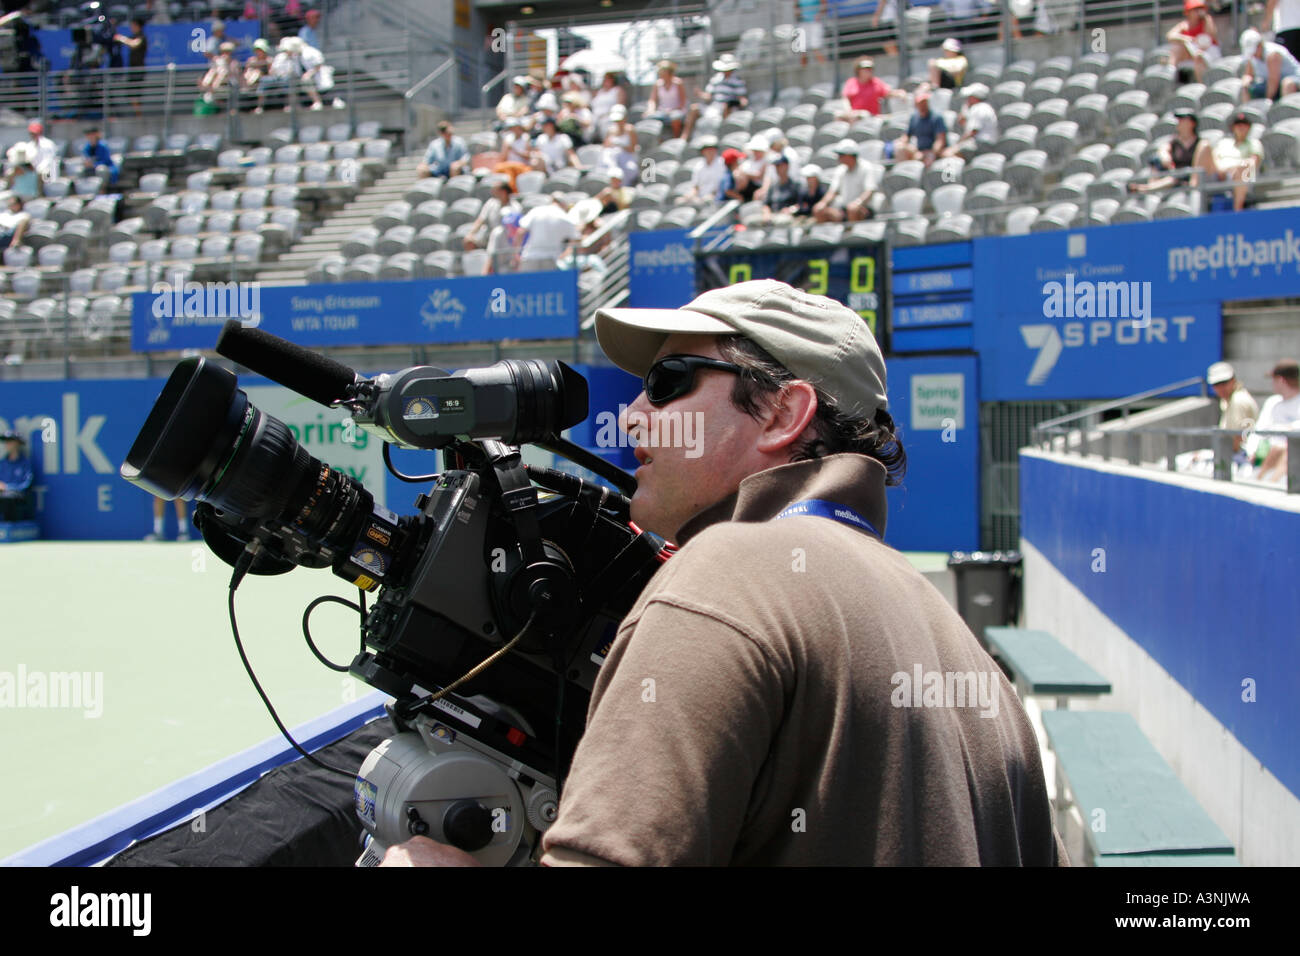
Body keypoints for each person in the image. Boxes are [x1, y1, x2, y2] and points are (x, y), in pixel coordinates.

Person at [380, 279, 1066, 866]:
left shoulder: (729, 572)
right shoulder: (971, 655)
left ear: (782, 412)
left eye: (667, 384)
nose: (634, 414)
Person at [1250, 359, 1300, 482]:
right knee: (1278, 448)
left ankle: (1267, 485)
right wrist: (1252, 450)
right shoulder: (1272, 403)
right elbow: (1259, 430)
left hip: (1289, 453)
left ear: (1281, 380)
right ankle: (1261, 483)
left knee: (1284, 448)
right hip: (1267, 453)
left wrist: (1284, 429)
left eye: (1274, 380)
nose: (1272, 383)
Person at [683, 53, 747, 141]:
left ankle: (722, 135)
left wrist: (742, 102)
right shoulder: (715, 79)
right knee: (694, 108)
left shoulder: (737, 81)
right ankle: (685, 136)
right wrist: (700, 94)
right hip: (714, 106)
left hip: (728, 107)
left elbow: (741, 97)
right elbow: (709, 96)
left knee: (725, 106)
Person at [514, 192, 579, 272]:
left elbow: (520, 232)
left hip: (530, 258)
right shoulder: (566, 218)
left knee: (527, 284)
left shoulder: (536, 211)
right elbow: (574, 243)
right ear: (564, 204)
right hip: (552, 260)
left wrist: (516, 253)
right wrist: (562, 256)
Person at [1212, 112, 1263, 211]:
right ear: (1233, 128)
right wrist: (1221, 171)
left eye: (1245, 125)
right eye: (1238, 125)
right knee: (1204, 146)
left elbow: (1253, 163)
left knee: (1244, 166)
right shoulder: (1223, 143)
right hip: (1220, 174)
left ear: (1249, 128)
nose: (1241, 127)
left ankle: (1237, 210)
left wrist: (1235, 169)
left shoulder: (1254, 143)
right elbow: (1214, 158)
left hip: (1245, 176)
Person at [813, 140, 875, 221]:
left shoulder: (866, 167)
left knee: (852, 209)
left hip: (863, 208)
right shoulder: (840, 170)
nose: (838, 158)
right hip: (844, 209)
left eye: (841, 155)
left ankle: (853, 233)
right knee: (819, 210)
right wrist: (823, 203)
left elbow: (869, 190)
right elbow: (833, 192)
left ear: (849, 155)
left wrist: (858, 203)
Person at [1207, 361, 1259, 455]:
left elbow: (1237, 439)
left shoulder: (1238, 400)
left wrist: (1220, 456)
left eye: (1224, 383)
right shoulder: (1229, 400)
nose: (1221, 388)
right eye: (1216, 384)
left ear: (1233, 380)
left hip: (1242, 456)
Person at [1239, 28, 1300, 102]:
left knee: (1287, 84)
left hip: (1293, 79)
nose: (1253, 55)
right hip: (1272, 83)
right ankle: (1247, 111)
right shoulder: (1251, 57)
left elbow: (1273, 81)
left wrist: (1267, 102)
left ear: (1260, 45)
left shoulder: (1273, 54)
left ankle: (1286, 111)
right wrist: (1246, 82)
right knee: (1247, 87)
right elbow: (1248, 74)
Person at [1169, 0, 1220, 84]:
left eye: (1200, 9)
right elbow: (1170, 36)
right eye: (1195, 9)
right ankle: (1170, 75)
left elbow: (1211, 35)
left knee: (1198, 56)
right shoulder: (1184, 25)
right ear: (1188, 12)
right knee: (1176, 47)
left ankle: (1202, 86)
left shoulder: (1206, 21)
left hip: (1208, 53)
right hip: (1192, 54)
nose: (1198, 11)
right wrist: (1186, 38)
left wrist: (1206, 18)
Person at [942, 83, 998, 158]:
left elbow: (973, 132)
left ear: (975, 98)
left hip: (982, 144)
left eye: (969, 97)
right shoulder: (985, 107)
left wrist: (957, 145)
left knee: (948, 153)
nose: (967, 100)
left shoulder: (979, 108)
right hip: (984, 144)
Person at [894, 90, 947, 167]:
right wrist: (901, 142)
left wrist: (932, 153)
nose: (923, 104)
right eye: (921, 102)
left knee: (920, 158)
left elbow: (940, 140)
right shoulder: (914, 118)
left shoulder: (936, 118)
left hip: (932, 152)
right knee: (901, 149)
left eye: (925, 102)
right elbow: (907, 136)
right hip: (919, 151)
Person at [675, 136, 727, 207]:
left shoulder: (722, 164)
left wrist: (712, 195)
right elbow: (696, 187)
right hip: (701, 198)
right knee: (680, 201)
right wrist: (689, 197)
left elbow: (723, 185)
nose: (710, 151)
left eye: (712, 149)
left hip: (718, 198)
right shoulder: (699, 166)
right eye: (707, 149)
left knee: (707, 200)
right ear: (703, 151)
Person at [113, 18, 147, 117]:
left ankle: (138, 114)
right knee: (131, 92)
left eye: (133, 25)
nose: (132, 28)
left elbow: (134, 44)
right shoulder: (133, 36)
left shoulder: (142, 36)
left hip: (138, 69)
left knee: (136, 92)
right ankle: (137, 113)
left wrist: (121, 38)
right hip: (132, 69)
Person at [646, 60, 687, 139]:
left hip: (676, 110)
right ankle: (658, 140)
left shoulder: (678, 83)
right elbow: (652, 100)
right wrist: (650, 110)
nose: (661, 73)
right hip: (662, 111)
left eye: (663, 71)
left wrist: (672, 110)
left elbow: (683, 101)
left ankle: (676, 138)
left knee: (676, 118)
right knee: (650, 118)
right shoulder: (657, 84)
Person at [600, 104, 639, 186]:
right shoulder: (610, 130)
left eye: (619, 120)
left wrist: (621, 146)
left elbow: (633, 149)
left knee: (629, 169)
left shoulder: (630, 130)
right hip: (613, 159)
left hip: (627, 158)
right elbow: (605, 146)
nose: (617, 122)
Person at [0, 431, 34, 522]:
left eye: (10, 441)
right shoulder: (2, 463)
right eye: (6, 442)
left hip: (17, 497)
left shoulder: (25, 463)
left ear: (17, 443)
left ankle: (9, 526)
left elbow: (26, 484)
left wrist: (7, 487)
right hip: (2, 494)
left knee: (7, 497)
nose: (7, 444)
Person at [242, 38, 275, 112]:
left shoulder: (269, 60)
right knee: (254, 73)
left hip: (265, 82)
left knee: (258, 74)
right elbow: (246, 73)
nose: (259, 52)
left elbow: (271, 74)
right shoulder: (251, 60)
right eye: (257, 50)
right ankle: (247, 88)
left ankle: (259, 106)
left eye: (260, 50)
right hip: (252, 82)